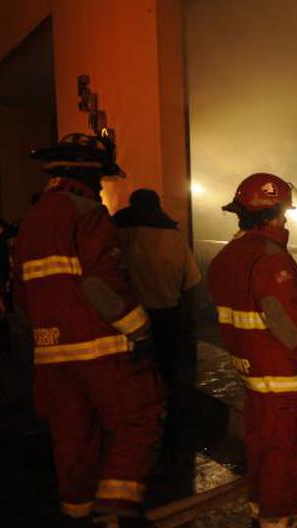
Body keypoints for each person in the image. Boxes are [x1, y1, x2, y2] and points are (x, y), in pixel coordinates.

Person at [16, 133, 164, 526]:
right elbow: (101, 285)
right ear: (88, 174)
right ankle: (115, 514)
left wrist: (48, 331)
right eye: (100, 179)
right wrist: (140, 330)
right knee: (140, 418)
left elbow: (22, 294)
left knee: (73, 437)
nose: (101, 187)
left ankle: (78, 514)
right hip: (100, 347)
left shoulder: (32, 220)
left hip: (50, 353)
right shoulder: (87, 213)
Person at [207, 173, 297, 527]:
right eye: (283, 212)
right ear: (275, 212)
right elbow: (282, 317)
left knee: (261, 444)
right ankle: (282, 519)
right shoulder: (270, 257)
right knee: (289, 451)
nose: (287, 219)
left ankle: (261, 510)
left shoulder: (227, 256)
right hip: (283, 373)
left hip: (255, 373)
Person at [114, 189, 201, 460]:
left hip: (129, 321)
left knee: (133, 381)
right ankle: (169, 439)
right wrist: (189, 325)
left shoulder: (121, 234)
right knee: (167, 377)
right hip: (168, 317)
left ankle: (136, 439)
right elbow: (191, 285)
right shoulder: (173, 236)